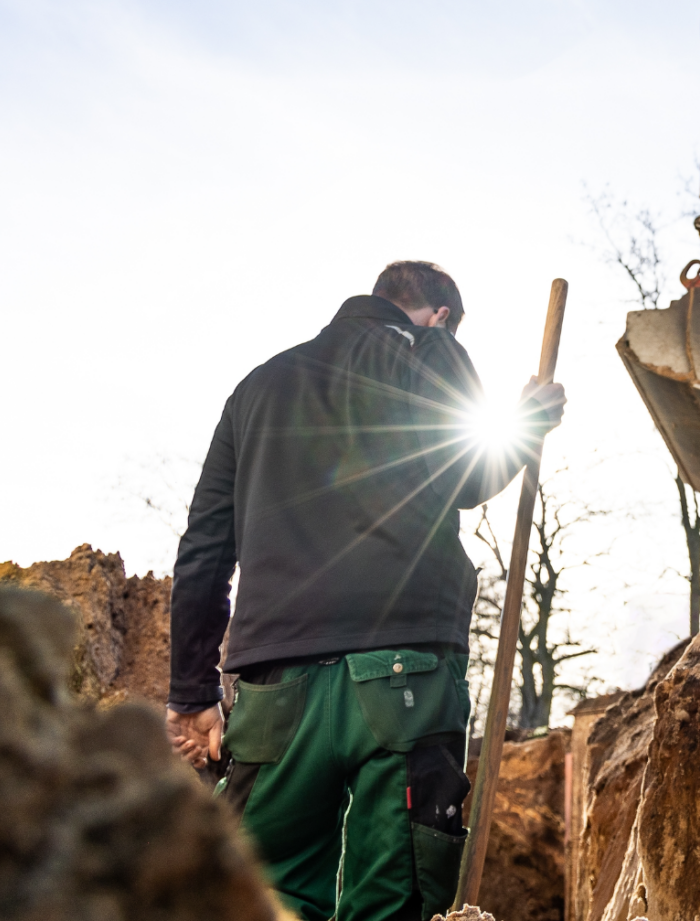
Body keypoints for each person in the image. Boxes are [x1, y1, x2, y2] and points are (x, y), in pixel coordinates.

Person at [164, 260, 564, 921]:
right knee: (391, 905)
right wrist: (524, 425)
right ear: (440, 319)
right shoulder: (427, 361)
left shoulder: (259, 388)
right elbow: (466, 479)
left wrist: (191, 694)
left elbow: (204, 550)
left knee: (261, 899)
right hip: (407, 674)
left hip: (276, 688)